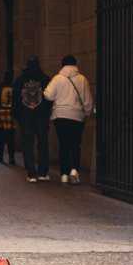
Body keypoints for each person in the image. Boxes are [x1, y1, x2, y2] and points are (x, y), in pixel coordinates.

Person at [44, 54, 94, 185]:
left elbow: (48, 95)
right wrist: (87, 113)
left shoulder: (57, 78)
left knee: (64, 145)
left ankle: (64, 174)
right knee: (76, 145)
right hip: (76, 116)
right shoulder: (82, 79)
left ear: (62, 64)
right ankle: (74, 170)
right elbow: (88, 100)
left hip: (60, 116)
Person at [12, 56, 52, 182]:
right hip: (41, 116)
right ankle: (42, 172)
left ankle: (31, 173)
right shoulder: (45, 79)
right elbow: (50, 97)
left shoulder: (20, 80)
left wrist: (16, 115)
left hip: (25, 116)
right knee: (43, 144)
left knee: (27, 145)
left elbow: (15, 99)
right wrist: (47, 111)